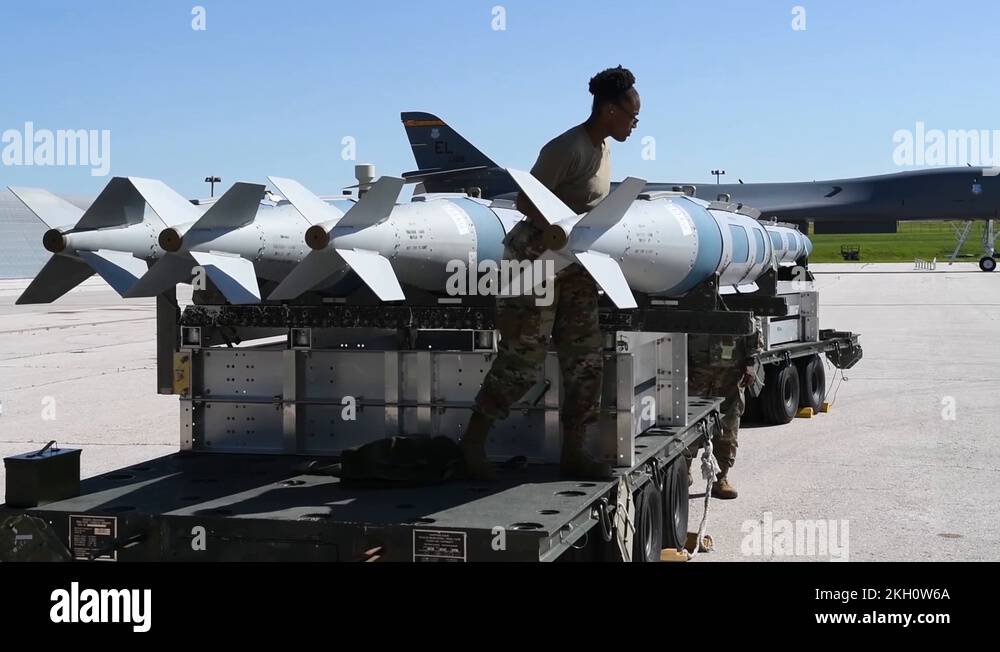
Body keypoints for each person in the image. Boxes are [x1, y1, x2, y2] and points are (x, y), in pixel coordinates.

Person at [461, 66, 640, 480]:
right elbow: (526, 202)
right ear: (610, 111)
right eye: (632, 117)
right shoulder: (567, 147)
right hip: (535, 258)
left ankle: (574, 451)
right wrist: (565, 224)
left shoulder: (604, 148)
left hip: (576, 263)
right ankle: (472, 443)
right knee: (523, 358)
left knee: (585, 359)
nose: (635, 125)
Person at [685, 324, 763, 499]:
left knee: (728, 423)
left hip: (730, 368)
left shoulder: (734, 295)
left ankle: (721, 478)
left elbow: (751, 318)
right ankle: (683, 471)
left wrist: (751, 361)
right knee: (687, 421)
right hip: (695, 367)